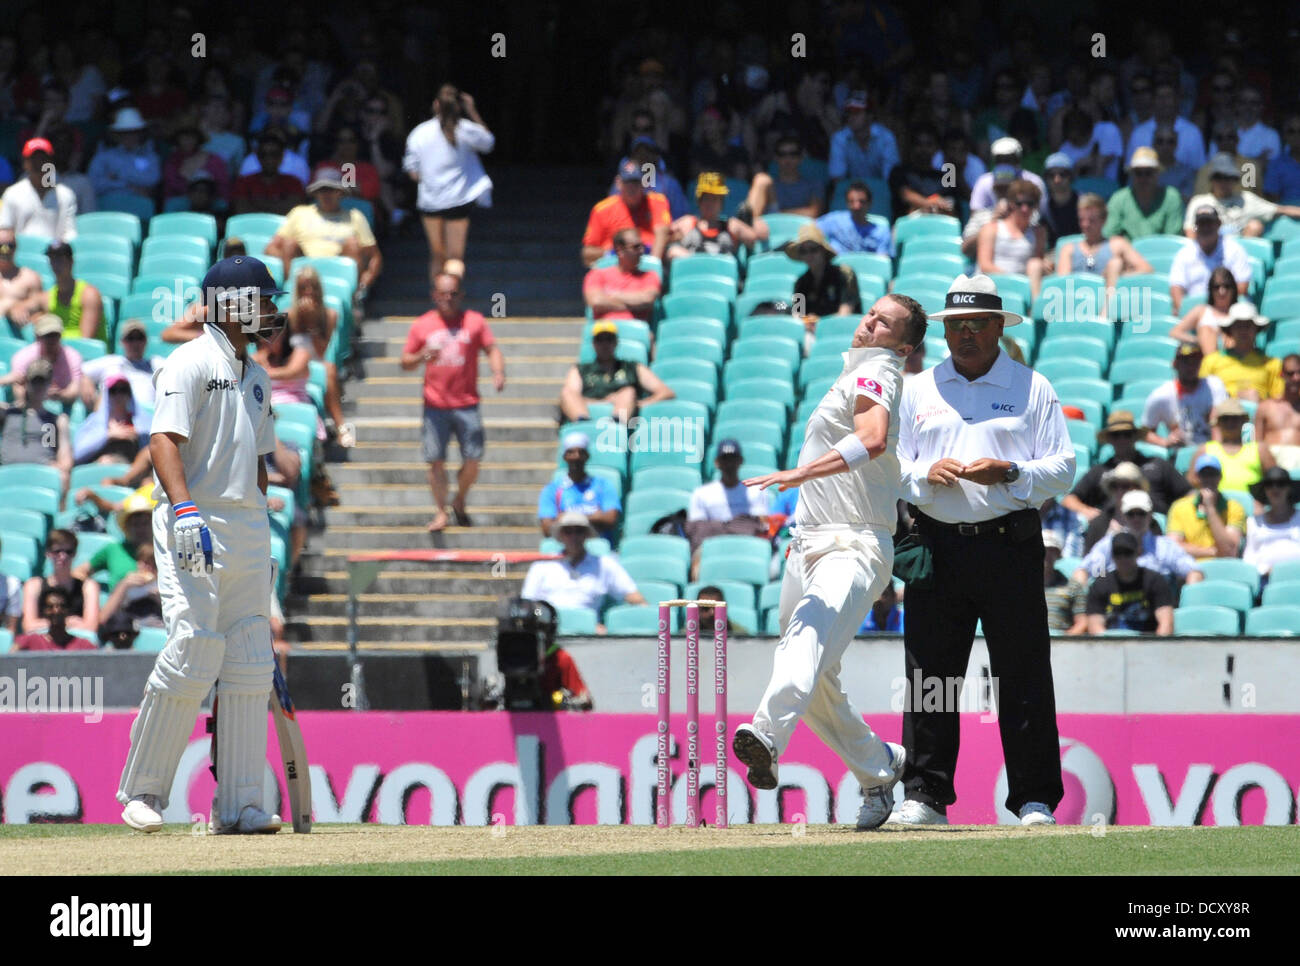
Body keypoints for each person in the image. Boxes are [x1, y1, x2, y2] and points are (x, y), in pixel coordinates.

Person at [732, 292, 927, 829]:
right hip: (808, 544)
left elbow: (873, 437)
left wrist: (800, 474)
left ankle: (767, 735)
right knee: (815, 680)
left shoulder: (880, 372)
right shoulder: (857, 373)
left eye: (885, 323)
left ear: (904, 346)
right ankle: (879, 768)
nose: (869, 323)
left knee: (804, 639)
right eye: (871, 313)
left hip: (853, 543)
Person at [893, 273, 1076, 826]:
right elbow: (893, 466)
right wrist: (926, 474)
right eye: (956, 325)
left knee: (1022, 672)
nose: (966, 334)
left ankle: (1034, 798)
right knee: (931, 675)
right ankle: (924, 795)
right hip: (936, 546)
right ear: (944, 330)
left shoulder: (1032, 386)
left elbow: (1063, 469)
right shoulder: (919, 388)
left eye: (977, 323)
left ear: (999, 327)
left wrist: (1012, 471)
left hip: (1008, 546)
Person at [117, 254, 287, 835]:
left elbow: (260, 465)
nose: (270, 310)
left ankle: (239, 805)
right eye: (261, 299)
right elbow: (163, 438)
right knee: (193, 647)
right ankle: (144, 792)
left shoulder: (258, 376)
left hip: (245, 525)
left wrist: (261, 528)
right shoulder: (187, 361)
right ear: (232, 302)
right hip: (196, 518)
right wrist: (185, 508)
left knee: (249, 659)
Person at [400, 272, 506, 533]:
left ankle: (459, 499)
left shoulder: (474, 321)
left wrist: (498, 372)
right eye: (443, 294)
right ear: (434, 296)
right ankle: (440, 511)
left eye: (453, 294)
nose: (448, 299)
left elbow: (491, 348)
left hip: (466, 402)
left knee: (473, 458)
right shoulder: (423, 325)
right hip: (435, 404)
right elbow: (405, 361)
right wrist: (422, 355)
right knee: (435, 460)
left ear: (461, 295)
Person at [404, 84, 494, 285]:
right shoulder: (466, 129)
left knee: (437, 255)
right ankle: (452, 298)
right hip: (458, 201)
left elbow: (413, 173)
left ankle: (438, 302)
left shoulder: (419, 133)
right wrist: (473, 111)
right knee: (455, 257)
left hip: (430, 202)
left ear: (436, 105)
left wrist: (431, 178)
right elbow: (489, 142)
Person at [519, 511, 645, 633]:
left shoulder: (604, 564)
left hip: (589, 633)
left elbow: (633, 596)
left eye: (579, 531)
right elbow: (528, 604)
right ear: (561, 536)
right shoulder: (542, 565)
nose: (573, 536)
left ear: (586, 534)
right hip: (549, 631)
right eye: (568, 531)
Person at [265, 168, 383, 298]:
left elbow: (374, 256)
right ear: (316, 193)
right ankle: (291, 292)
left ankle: (352, 297)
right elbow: (271, 248)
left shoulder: (355, 216)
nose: (326, 194)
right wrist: (288, 265)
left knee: (353, 244)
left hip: (340, 272)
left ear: (340, 192)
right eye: (322, 190)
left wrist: (364, 283)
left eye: (331, 190)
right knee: (288, 244)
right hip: (303, 271)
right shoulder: (299, 213)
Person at [1064, 410, 1189, 518]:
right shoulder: (1100, 471)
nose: (1122, 439)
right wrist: (1088, 512)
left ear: (1135, 436)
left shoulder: (1158, 465)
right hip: (1113, 529)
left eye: (1127, 434)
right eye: (1116, 435)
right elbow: (1069, 500)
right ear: (1109, 439)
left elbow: (1189, 493)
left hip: (1155, 528)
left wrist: (1177, 516)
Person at [1074, 489, 1203, 587]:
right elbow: (1083, 572)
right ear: (1123, 516)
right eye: (1131, 514)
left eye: (1141, 513)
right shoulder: (1109, 545)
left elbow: (1194, 572)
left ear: (1150, 515)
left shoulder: (1164, 546)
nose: (1136, 519)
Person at [284, 267, 352, 446]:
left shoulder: (329, 315)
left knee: (329, 369)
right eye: (304, 287)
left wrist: (312, 323)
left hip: (315, 361)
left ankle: (341, 427)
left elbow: (322, 351)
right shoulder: (290, 316)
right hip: (294, 363)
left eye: (312, 287)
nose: (308, 292)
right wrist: (300, 320)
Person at [558, 321, 673, 423]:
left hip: (623, 420)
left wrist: (638, 404)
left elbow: (665, 392)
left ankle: (615, 425)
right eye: (600, 340)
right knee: (567, 393)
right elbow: (570, 395)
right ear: (593, 343)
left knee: (628, 392)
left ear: (616, 342)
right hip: (587, 414)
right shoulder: (580, 369)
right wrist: (605, 402)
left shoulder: (632, 367)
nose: (605, 345)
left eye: (609, 339)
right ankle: (584, 425)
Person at [685, 438, 772, 555]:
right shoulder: (702, 493)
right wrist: (738, 525)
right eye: (725, 460)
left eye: (733, 459)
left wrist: (718, 527)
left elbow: (761, 526)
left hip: (746, 547)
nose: (729, 464)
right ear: (717, 463)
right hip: (711, 547)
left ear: (740, 461)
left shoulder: (756, 491)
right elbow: (698, 530)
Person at [0, 358, 73, 497]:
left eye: (43, 382)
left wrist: (58, 466)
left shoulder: (56, 420)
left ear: (50, 384)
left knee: (63, 477)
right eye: (34, 381)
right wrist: (5, 380)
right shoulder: (8, 413)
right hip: (7, 474)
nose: (38, 387)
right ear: (25, 382)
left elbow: (65, 461)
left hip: (41, 476)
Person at [581, 159, 671, 267]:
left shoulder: (657, 202)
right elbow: (587, 253)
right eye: (627, 183)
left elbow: (662, 233)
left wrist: (652, 265)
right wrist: (612, 254)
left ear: (643, 183)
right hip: (615, 266)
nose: (631, 188)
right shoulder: (602, 209)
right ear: (618, 183)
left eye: (635, 183)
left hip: (650, 261)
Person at [1184, 154, 1300, 238]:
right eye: (1219, 177)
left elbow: (1281, 209)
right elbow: (1190, 232)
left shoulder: (1247, 199)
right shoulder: (1199, 202)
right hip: (1208, 254)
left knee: (1255, 226)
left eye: (1229, 177)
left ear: (1235, 180)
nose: (1223, 182)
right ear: (1212, 180)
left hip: (1240, 255)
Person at [1084, 530, 1174, 635]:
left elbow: (1166, 625)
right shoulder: (1100, 585)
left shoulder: (1155, 581)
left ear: (1138, 552)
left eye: (1128, 553)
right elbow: (1095, 627)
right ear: (1112, 556)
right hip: (1111, 647)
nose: (1123, 558)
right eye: (1118, 554)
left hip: (1147, 645)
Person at [1056, 194, 1151, 292]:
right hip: (1078, 298)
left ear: (1104, 220)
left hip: (1110, 297)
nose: (1086, 225)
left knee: (1115, 264)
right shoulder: (1068, 249)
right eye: (1081, 220)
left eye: (1091, 220)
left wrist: (1116, 276)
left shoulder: (1117, 245)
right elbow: (1063, 282)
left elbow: (1146, 269)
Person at [1142, 344, 1228, 450]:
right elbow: (1145, 433)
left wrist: (1216, 451)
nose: (1191, 366)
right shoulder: (1161, 396)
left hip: (1209, 450)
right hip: (1179, 453)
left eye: (1195, 361)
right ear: (1175, 364)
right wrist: (1165, 442)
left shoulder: (1214, 385)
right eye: (1186, 362)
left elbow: (1218, 422)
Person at [1168, 206, 1251, 315]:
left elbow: (1242, 287)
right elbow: (1176, 288)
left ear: (1219, 224)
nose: (1205, 228)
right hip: (1195, 316)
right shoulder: (1184, 254)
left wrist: (1216, 312)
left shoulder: (1234, 250)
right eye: (1201, 224)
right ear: (1195, 227)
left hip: (1228, 313)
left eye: (1209, 222)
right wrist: (1185, 313)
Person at [538, 432, 621, 540]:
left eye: (581, 452)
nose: (576, 457)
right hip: (564, 549)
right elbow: (547, 528)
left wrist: (566, 518)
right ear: (564, 456)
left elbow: (611, 520)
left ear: (587, 456)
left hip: (597, 547)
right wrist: (596, 517)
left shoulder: (603, 485)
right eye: (571, 452)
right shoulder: (552, 490)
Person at [1166, 453, 1247, 560]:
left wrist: (1210, 508)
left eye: (1213, 474)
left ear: (1220, 477)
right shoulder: (1179, 507)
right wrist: (1211, 551)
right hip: (1190, 567)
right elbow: (1173, 547)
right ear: (1197, 477)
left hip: (1222, 567)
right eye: (1204, 474)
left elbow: (1229, 550)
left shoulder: (1234, 508)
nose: (1209, 479)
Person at [666, 174, 766, 260]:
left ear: (721, 204)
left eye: (714, 199)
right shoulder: (687, 223)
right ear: (699, 202)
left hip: (723, 276)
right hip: (692, 274)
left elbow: (759, 238)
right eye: (706, 199)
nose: (709, 204)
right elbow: (662, 237)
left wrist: (754, 219)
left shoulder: (732, 225)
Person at [786, 224, 861, 339]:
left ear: (823, 251)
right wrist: (806, 322)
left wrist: (819, 323)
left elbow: (845, 314)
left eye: (813, 249)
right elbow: (797, 315)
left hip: (844, 333)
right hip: (811, 334)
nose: (809, 255)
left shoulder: (845, 274)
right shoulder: (800, 282)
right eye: (803, 251)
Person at [976, 179, 1046, 301]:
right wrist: (1012, 281)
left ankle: (1036, 312)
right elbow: (985, 265)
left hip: (1022, 291)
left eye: (1030, 204)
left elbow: (1036, 265)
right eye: (1020, 203)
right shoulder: (991, 228)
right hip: (991, 287)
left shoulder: (1038, 233)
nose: (1025, 209)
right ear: (1011, 204)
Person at [1199, 301, 1283, 402]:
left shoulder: (1273, 363)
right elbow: (1201, 396)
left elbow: (1280, 400)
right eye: (1238, 326)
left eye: (1248, 326)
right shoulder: (1211, 361)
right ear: (1230, 329)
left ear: (1256, 329)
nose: (1243, 331)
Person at [72, 492, 155, 590]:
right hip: (120, 604)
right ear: (127, 527)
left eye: (145, 523)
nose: (141, 528)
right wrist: (91, 590)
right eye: (135, 524)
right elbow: (79, 572)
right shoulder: (114, 549)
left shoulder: (163, 550)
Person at [22, 528, 98, 633]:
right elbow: (29, 626)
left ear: (74, 554)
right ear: (48, 554)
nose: (63, 556)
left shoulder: (88, 586)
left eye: (68, 552)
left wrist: (44, 623)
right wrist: (66, 622)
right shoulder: (33, 585)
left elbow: (91, 627)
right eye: (57, 552)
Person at [0, 138, 78, 241]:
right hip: (22, 253)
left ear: (51, 162)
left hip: (54, 254)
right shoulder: (12, 193)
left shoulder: (66, 195)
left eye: (43, 158)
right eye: (33, 159)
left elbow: (69, 232)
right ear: (25, 163)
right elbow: (5, 230)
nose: (39, 163)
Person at [1081, 461, 1166, 553]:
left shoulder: (1151, 523)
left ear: (1138, 489)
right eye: (1115, 486)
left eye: (1125, 486)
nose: (1119, 491)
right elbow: (1088, 559)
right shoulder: (1099, 523)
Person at [0, 314, 83, 407]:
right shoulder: (23, 357)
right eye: (48, 336)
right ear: (37, 337)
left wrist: (60, 395)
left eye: (55, 335)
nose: (52, 340)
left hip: (62, 407)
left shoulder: (72, 356)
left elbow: (74, 390)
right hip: (29, 406)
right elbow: (18, 386)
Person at [1102, 147, 1185, 239]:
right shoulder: (1118, 199)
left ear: (1158, 173)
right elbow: (1109, 235)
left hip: (1162, 252)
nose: (1143, 178)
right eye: (1138, 173)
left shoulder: (1171, 197)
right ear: (1132, 174)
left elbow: (1173, 238)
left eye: (1148, 172)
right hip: (1127, 251)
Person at [1185, 399, 1262, 493]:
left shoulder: (1259, 450)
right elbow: (1191, 482)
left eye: (1235, 418)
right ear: (1218, 423)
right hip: (1215, 505)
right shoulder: (1204, 450)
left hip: (1252, 506)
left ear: (1243, 421)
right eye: (1225, 419)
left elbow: (1275, 480)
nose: (1230, 423)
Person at [585, 228, 661, 322]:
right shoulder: (597, 275)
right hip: (605, 332)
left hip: (636, 333)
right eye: (636, 247)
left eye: (642, 246)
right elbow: (596, 303)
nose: (642, 251)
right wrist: (635, 305)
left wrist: (614, 295)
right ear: (619, 250)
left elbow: (647, 299)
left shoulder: (650, 275)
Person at [73, 374, 151, 466]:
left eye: (123, 390)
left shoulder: (139, 422)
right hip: (99, 469)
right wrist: (108, 436)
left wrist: (137, 433)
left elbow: (151, 448)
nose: (118, 395)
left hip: (131, 470)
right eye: (113, 391)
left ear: (130, 394)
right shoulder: (93, 421)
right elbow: (76, 455)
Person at [87, 108, 160, 201]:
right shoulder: (104, 156)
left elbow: (152, 180)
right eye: (124, 133)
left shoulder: (150, 156)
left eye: (133, 132)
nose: (129, 137)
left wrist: (117, 176)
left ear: (140, 133)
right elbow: (94, 184)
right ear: (117, 134)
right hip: (109, 203)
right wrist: (128, 185)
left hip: (139, 204)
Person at [827, 90, 899, 184]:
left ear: (870, 116)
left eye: (857, 112)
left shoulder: (886, 138)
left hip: (880, 192)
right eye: (849, 112)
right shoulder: (839, 138)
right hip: (851, 193)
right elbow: (837, 179)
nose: (851, 117)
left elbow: (890, 178)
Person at [888, 124, 956, 220]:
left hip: (938, 228)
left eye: (929, 144)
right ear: (911, 147)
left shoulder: (947, 176)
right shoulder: (898, 171)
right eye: (919, 144)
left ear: (936, 148)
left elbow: (951, 206)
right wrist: (932, 203)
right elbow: (905, 195)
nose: (924, 149)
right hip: (907, 228)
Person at [968, 137, 1048, 218]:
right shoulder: (984, 182)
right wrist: (994, 215)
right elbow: (975, 214)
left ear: (1018, 160)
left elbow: (1041, 214)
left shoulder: (1034, 182)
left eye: (1009, 160)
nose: (1004, 164)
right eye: (1000, 160)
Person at [746, 136, 824, 218]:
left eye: (793, 154)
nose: (788, 158)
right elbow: (754, 216)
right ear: (776, 158)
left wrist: (775, 213)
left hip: (801, 229)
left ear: (801, 157)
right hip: (770, 228)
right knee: (761, 179)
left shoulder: (814, 184)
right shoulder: (767, 185)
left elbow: (813, 213)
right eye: (782, 154)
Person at [230, 132, 306, 216]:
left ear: (282, 156)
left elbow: (294, 212)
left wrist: (258, 204)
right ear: (257, 156)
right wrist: (277, 205)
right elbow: (241, 210)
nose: (268, 159)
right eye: (263, 154)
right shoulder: (244, 182)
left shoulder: (294, 183)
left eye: (274, 154)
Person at [1243, 467, 1300, 577]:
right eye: (1270, 484)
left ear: (1289, 488)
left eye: (1281, 484)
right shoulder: (1253, 522)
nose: (1275, 488)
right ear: (1264, 490)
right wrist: (1264, 570)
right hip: (1266, 581)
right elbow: (1249, 556)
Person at [1169, 266, 1238, 356]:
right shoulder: (1202, 311)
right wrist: (1197, 341)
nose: (1222, 291)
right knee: (1206, 330)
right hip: (1206, 356)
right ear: (1211, 290)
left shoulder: (1240, 311)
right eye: (1217, 287)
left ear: (1233, 289)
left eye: (1226, 286)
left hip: (1234, 357)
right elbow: (1175, 332)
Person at [816, 181, 892, 255]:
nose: (856, 206)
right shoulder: (834, 220)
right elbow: (810, 229)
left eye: (861, 201)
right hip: (838, 266)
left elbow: (883, 261)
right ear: (846, 203)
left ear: (870, 203)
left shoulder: (881, 231)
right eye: (851, 201)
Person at [12, 585, 95, 652]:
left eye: (61, 606)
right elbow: (9, 662)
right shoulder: (30, 641)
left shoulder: (83, 646)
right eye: (50, 607)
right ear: (43, 612)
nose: (56, 611)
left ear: (69, 611)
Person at [1256, 353, 1300, 472]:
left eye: (1299, 373)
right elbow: (1257, 444)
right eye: (1290, 374)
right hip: (1272, 463)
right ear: (1282, 375)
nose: (1296, 378)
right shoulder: (1266, 407)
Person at [1042, 530, 1088, 634]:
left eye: (1051, 550)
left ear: (1058, 554)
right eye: (1042, 549)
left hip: (1061, 642)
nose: (1046, 554)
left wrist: (1065, 641)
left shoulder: (1073, 586)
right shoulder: (1021, 586)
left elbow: (1082, 622)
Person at [0, 237, 44, 325]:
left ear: (16, 247)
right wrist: (9, 305)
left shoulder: (31, 278)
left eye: (10, 246)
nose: (5, 250)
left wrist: (21, 307)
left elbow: (39, 310)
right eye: (1, 245)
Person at [1040, 152, 1080, 244]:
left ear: (1071, 176)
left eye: (1062, 174)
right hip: (1052, 255)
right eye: (1051, 175)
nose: (1057, 180)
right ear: (1046, 178)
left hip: (1083, 254)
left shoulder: (1084, 203)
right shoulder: (1041, 206)